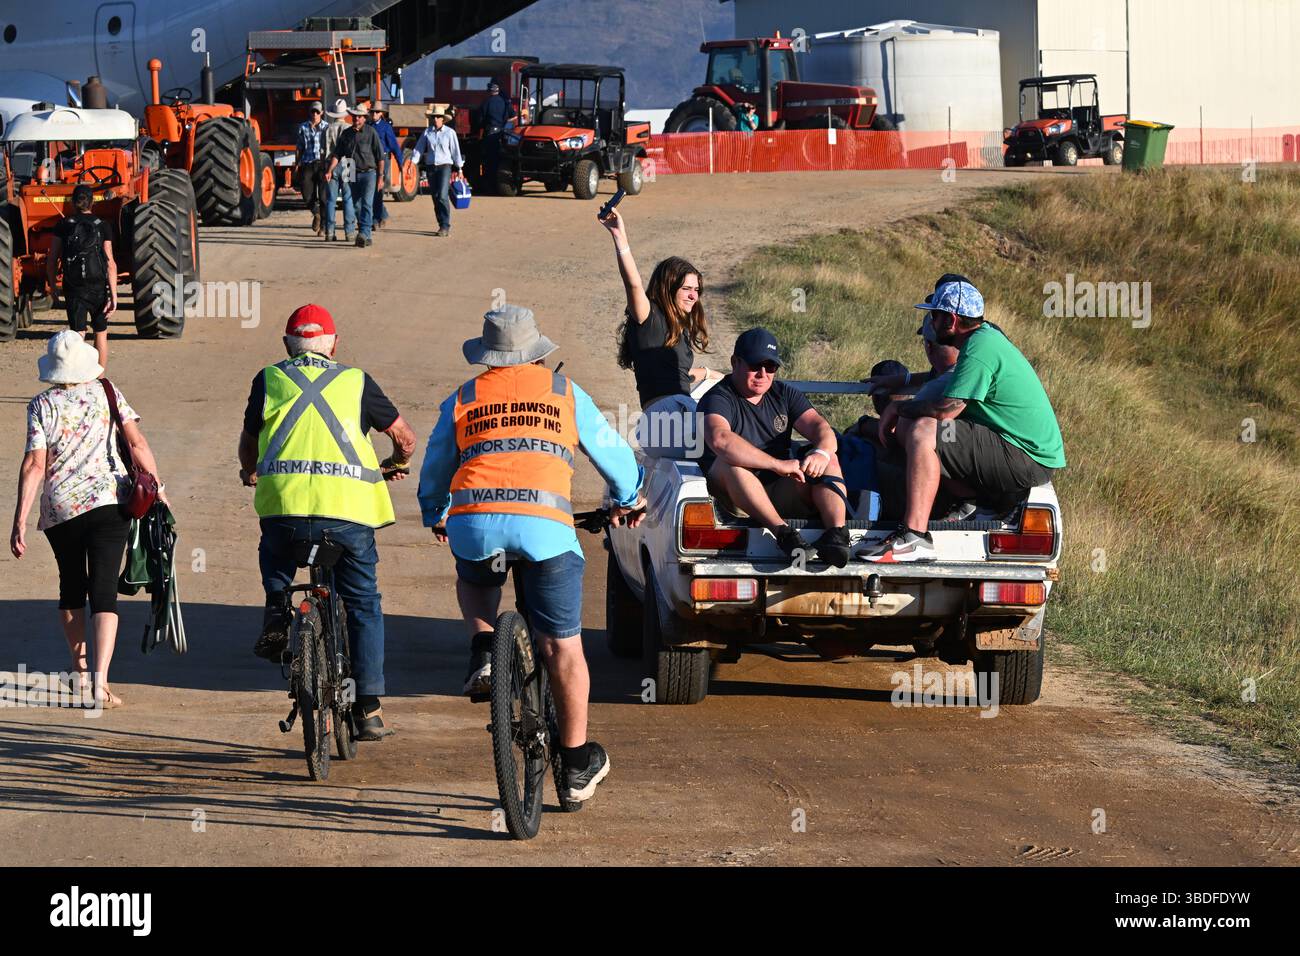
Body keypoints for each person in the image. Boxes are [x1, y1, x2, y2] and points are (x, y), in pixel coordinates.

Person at [417, 305, 644, 804]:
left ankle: (482, 651)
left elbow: (435, 464)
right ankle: (578, 764)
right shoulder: (563, 392)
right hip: (545, 532)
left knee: (476, 581)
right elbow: (613, 454)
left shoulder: (464, 397)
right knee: (563, 647)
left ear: (487, 356)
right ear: (537, 352)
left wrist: (435, 511)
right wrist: (629, 499)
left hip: (476, 525)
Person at [238, 304, 416, 739]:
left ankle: (278, 610)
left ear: (287, 345)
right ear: (334, 345)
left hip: (286, 513)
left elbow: (249, 444)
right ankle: (369, 707)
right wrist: (394, 463)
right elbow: (405, 438)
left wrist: (251, 472)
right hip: (348, 517)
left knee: (276, 557)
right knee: (362, 603)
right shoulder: (356, 381)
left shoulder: (269, 379)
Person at [859, 279, 1067, 563]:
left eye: (935, 315)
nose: (931, 323)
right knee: (914, 426)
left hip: (1027, 456)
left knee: (923, 429)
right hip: (1015, 448)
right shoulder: (982, 341)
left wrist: (897, 409)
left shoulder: (980, 349)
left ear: (952, 320)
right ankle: (975, 501)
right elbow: (945, 380)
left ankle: (914, 536)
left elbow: (946, 411)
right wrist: (903, 385)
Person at [11, 330, 166, 708]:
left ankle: (79, 675)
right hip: (109, 503)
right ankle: (101, 684)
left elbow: (34, 464)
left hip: (60, 509)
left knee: (70, 586)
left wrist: (19, 519)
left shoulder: (41, 404)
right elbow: (136, 443)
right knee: (104, 591)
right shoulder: (107, 391)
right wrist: (158, 488)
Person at [698, 328, 850, 567]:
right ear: (735, 362)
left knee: (828, 458)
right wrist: (777, 465)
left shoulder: (784, 393)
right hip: (734, 499)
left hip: (777, 488)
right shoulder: (718, 397)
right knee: (731, 464)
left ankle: (837, 535)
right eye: (755, 365)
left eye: (771, 367)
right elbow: (720, 439)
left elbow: (822, 428)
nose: (763, 374)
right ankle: (785, 535)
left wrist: (820, 452)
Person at [597, 207, 721, 457]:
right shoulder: (648, 316)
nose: (693, 296)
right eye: (686, 288)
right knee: (729, 445)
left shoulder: (680, 330)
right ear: (668, 287)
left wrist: (711, 374)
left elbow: (677, 374)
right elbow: (632, 282)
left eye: (697, 290)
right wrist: (619, 237)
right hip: (668, 415)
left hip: (670, 416)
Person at [47, 185, 116, 350]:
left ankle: (80, 375)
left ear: (72, 203)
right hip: (98, 285)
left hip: (73, 286)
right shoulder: (103, 225)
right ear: (92, 203)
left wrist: (52, 286)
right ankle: (100, 375)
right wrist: (113, 294)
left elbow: (52, 259)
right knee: (100, 333)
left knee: (78, 334)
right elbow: (110, 263)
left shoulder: (63, 225)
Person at [324, 106, 384, 248]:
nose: (357, 118)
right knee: (355, 205)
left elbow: (380, 157)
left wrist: (381, 177)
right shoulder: (346, 134)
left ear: (364, 118)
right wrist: (330, 170)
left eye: (360, 116)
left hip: (369, 171)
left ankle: (362, 233)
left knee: (367, 204)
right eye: (355, 116)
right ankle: (367, 235)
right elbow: (337, 154)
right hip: (351, 169)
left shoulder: (371, 132)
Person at [411, 105, 464, 238]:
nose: (436, 119)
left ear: (443, 119)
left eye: (438, 117)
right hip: (431, 167)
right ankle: (441, 224)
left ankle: (445, 225)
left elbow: (455, 151)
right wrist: (412, 162)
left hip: (445, 166)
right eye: (433, 117)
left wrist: (459, 168)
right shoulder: (427, 133)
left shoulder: (450, 133)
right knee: (435, 197)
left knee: (442, 195)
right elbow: (419, 148)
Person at [321, 99, 355, 242]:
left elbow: (323, 150)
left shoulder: (327, 129)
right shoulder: (350, 128)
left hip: (331, 163)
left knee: (330, 200)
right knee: (348, 198)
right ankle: (349, 232)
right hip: (348, 163)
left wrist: (326, 167)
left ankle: (329, 231)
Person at [475, 80, 516, 191]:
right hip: (502, 133)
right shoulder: (505, 102)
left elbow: (479, 120)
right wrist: (505, 123)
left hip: (490, 133)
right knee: (500, 160)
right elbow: (513, 115)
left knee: (489, 161)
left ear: (489, 91)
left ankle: (490, 186)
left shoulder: (487, 102)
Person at [295, 101, 329, 236]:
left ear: (322, 113)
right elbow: (299, 147)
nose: (314, 114)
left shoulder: (327, 127)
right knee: (306, 193)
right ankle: (317, 213)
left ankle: (324, 227)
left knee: (323, 197)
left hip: (322, 165)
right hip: (307, 164)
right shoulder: (303, 127)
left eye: (317, 112)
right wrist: (296, 164)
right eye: (312, 112)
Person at [368, 103, 401, 231]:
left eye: (377, 112)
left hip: (383, 159)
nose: (374, 114)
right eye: (373, 112)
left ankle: (375, 219)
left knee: (378, 189)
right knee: (371, 190)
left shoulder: (386, 127)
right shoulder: (368, 126)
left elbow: (394, 145)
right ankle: (383, 214)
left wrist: (400, 162)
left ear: (381, 113)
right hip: (370, 160)